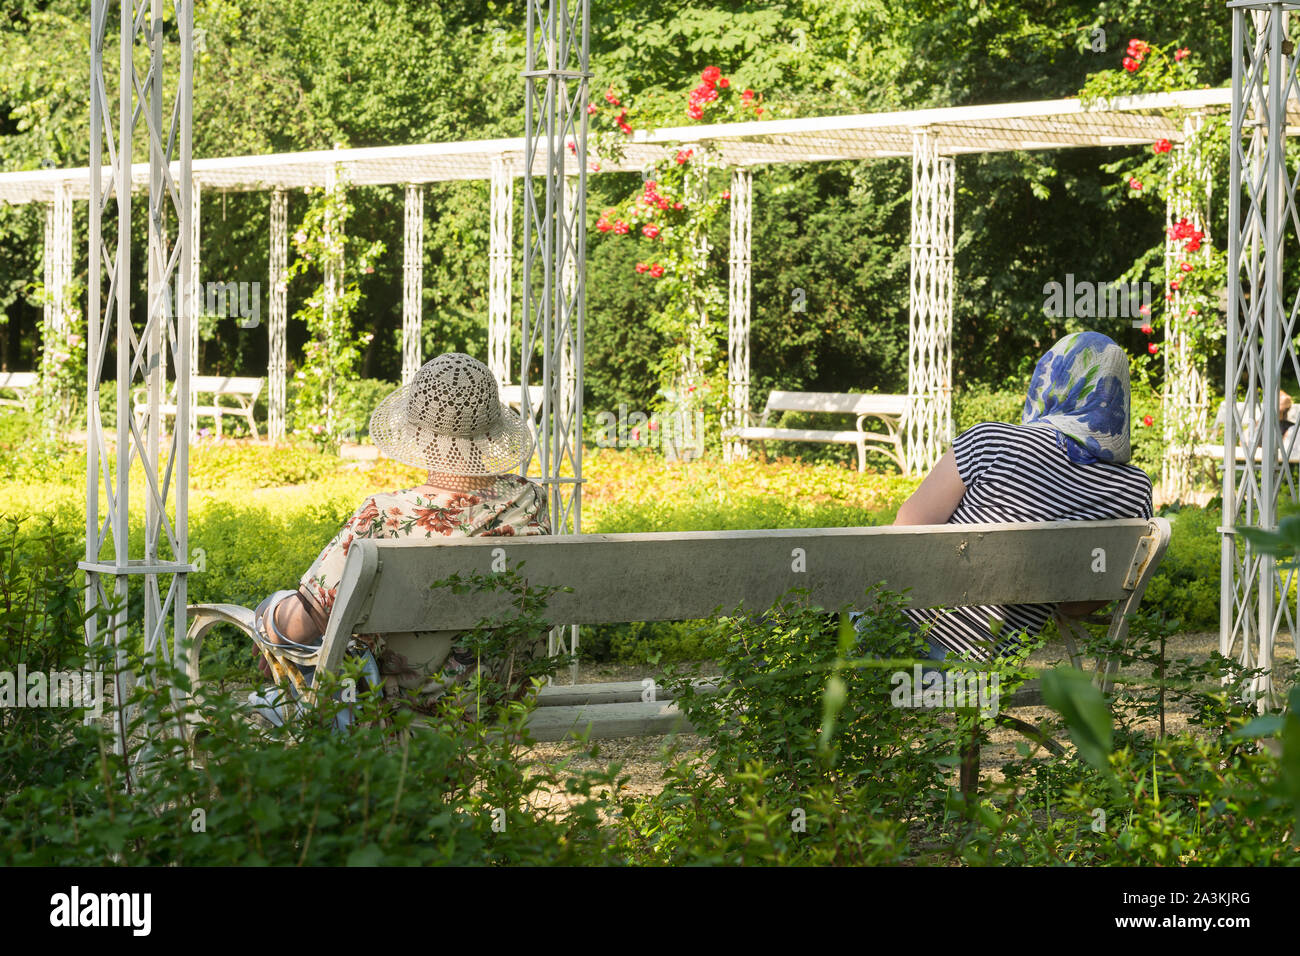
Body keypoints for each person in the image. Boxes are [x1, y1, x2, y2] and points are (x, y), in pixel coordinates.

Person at [252, 352, 549, 718]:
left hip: (408, 703)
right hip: (503, 698)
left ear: (420, 435)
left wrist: (267, 620)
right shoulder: (529, 499)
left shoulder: (386, 515)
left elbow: (309, 622)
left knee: (286, 612)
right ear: (492, 432)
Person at [892, 331, 1153, 664]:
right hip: (997, 667)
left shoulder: (991, 442)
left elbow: (904, 532)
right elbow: (1077, 605)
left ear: (1050, 379)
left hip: (905, 645)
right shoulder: (1134, 490)